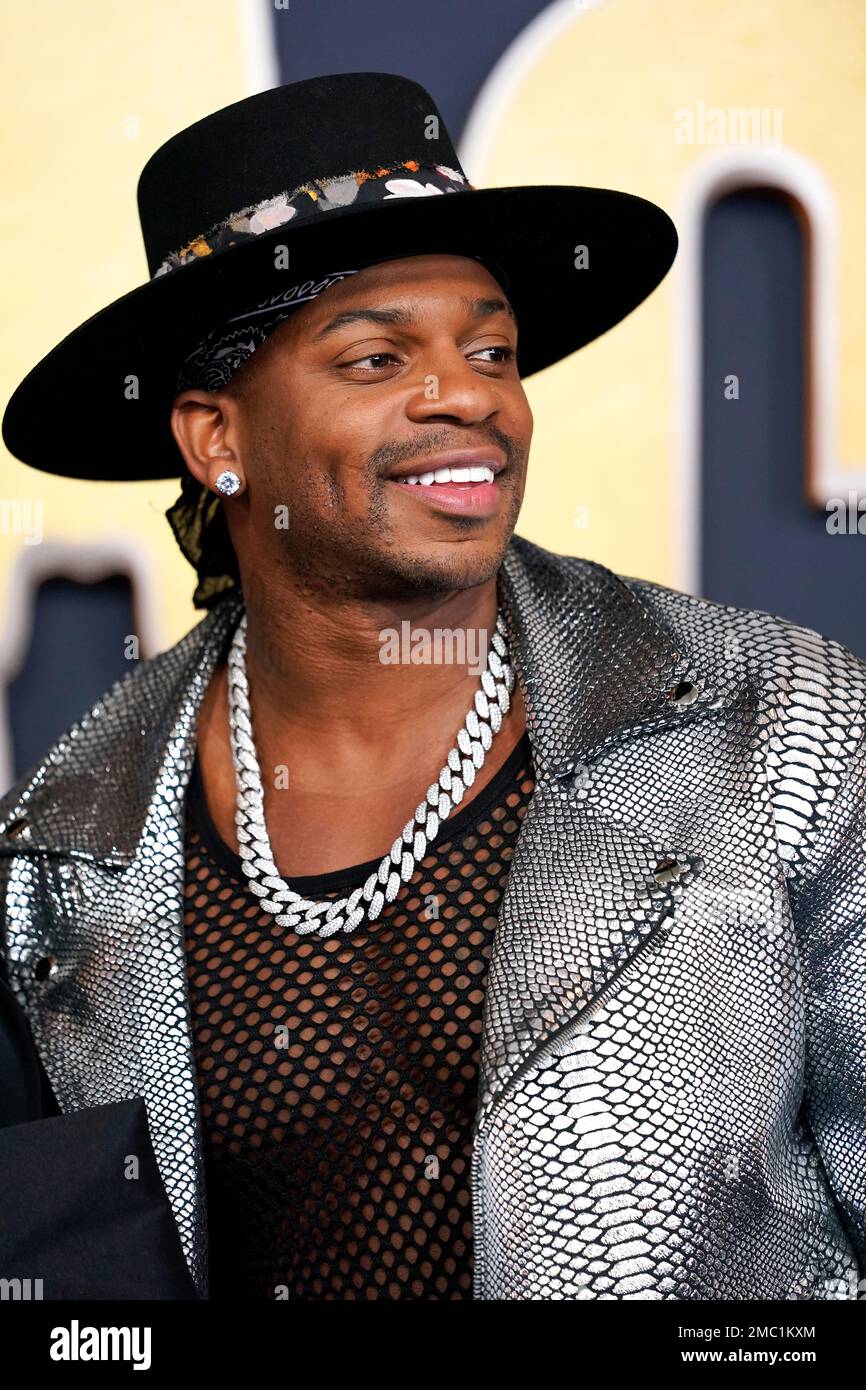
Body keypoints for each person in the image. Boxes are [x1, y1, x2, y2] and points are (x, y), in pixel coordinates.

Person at [0, 72, 864, 1302]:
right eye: (374, 357)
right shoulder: (63, 858)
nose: (467, 395)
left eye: (490, 348)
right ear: (216, 440)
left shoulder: (773, 718)